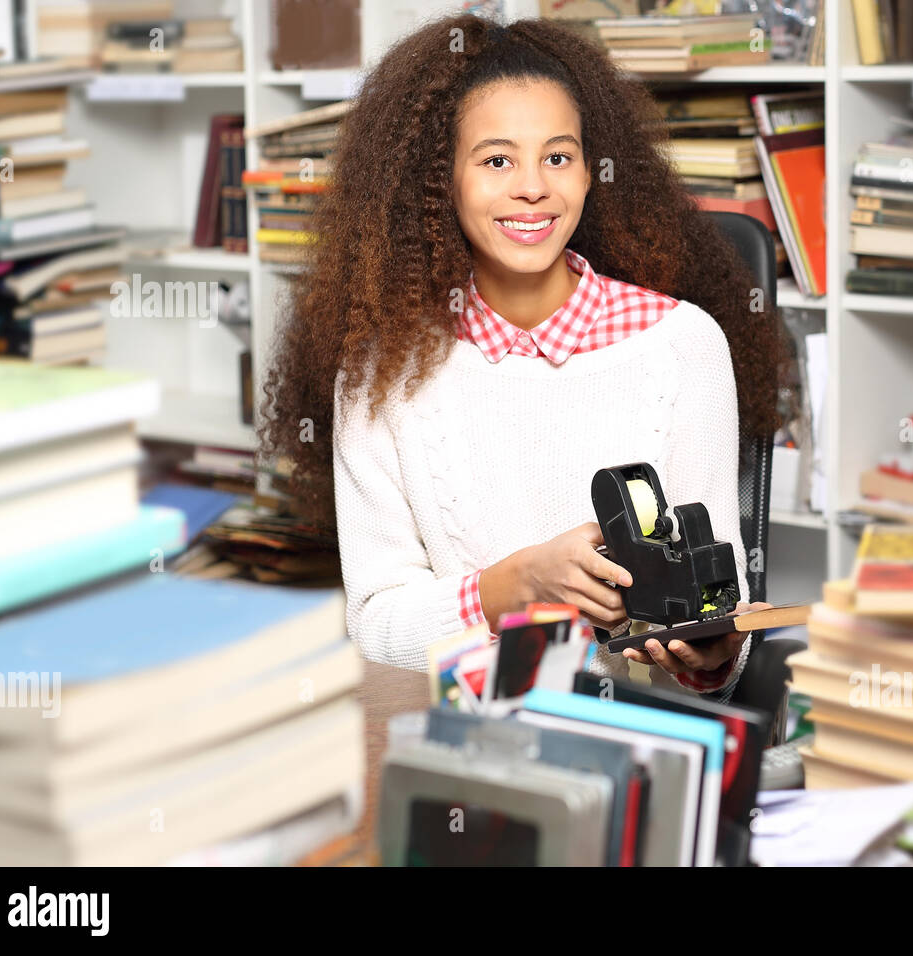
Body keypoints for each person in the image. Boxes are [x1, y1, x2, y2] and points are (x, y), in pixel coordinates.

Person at [261, 15, 791, 701]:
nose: (533, 188)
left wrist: (708, 652)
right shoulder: (379, 370)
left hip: (634, 737)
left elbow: (721, 647)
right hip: (460, 738)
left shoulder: (682, 345)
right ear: (439, 181)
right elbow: (376, 626)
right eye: (496, 160)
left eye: (559, 157)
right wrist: (512, 588)